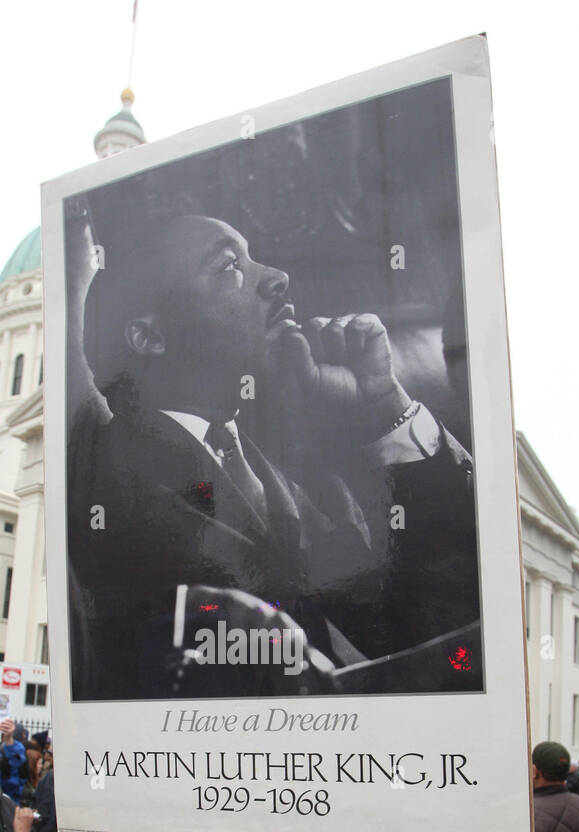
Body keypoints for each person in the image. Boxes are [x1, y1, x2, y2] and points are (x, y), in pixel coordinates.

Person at [69, 213, 481, 701]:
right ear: (149, 336)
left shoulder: (318, 493)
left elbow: (446, 618)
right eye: (229, 266)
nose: (276, 277)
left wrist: (386, 406)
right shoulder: (101, 475)